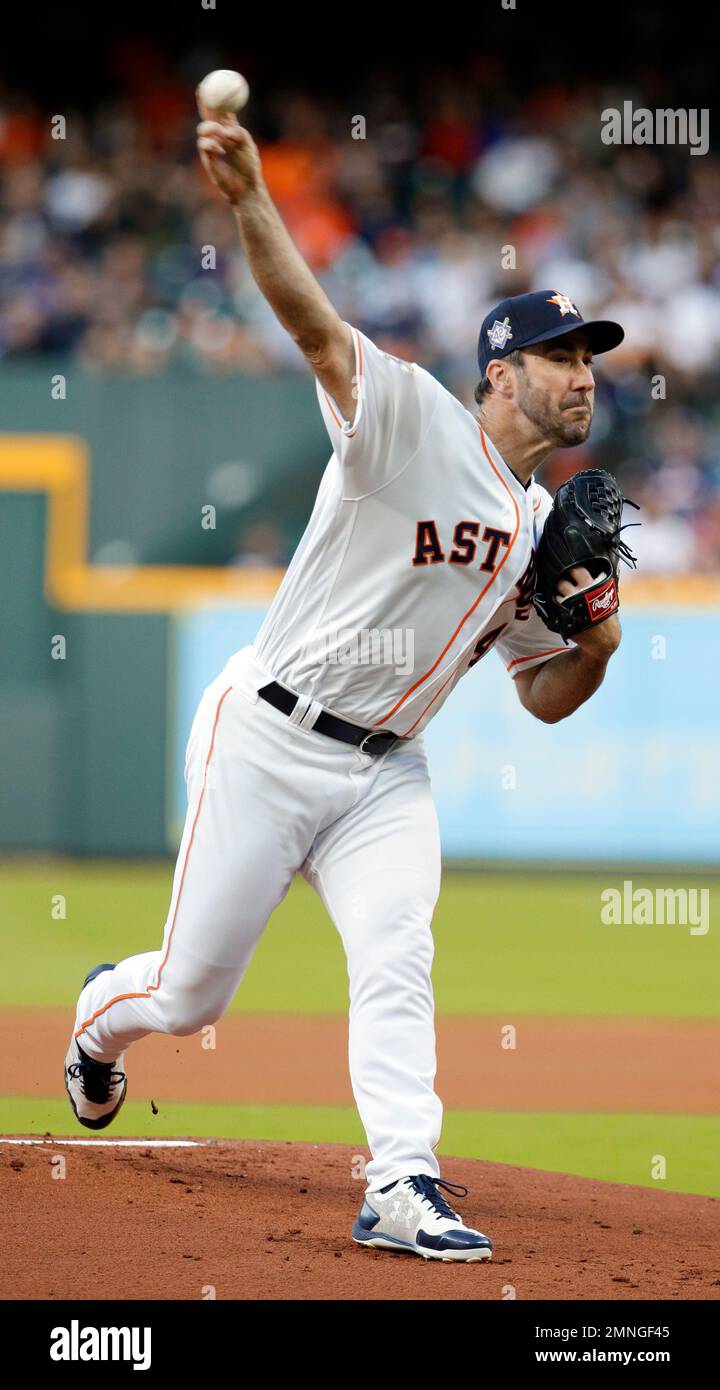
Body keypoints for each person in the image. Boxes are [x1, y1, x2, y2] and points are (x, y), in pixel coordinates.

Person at [63, 102, 625, 1263]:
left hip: (386, 775)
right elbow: (315, 327)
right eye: (563, 357)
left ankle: (403, 1178)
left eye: (590, 359)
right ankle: (96, 1028)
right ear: (500, 371)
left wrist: (599, 649)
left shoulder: (535, 527)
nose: (583, 376)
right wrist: (252, 200)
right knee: (187, 998)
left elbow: (541, 697)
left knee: (397, 951)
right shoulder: (410, 417)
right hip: (268, 738)